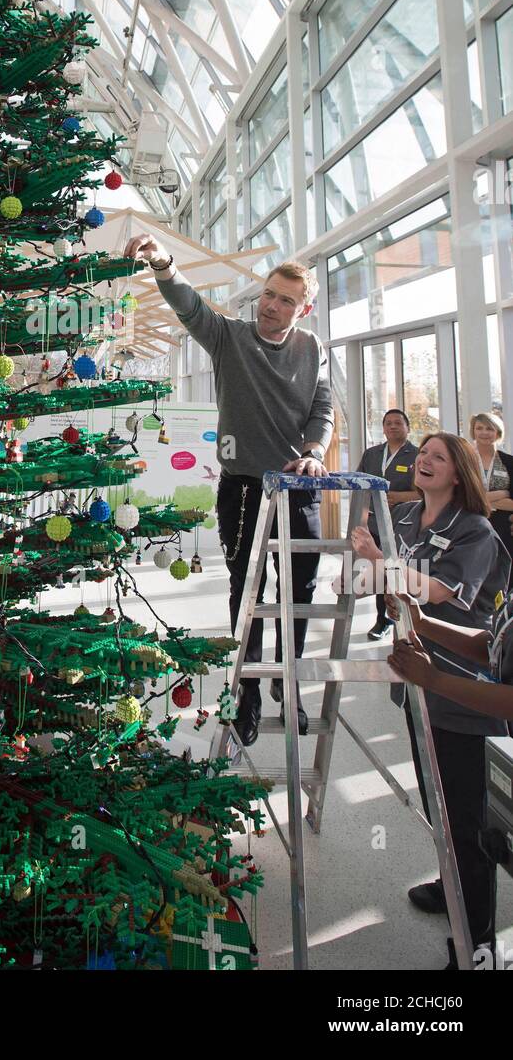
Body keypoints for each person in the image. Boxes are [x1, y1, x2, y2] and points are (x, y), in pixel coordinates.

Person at [125, 233, 334, 746]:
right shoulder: (230, 337)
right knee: (247, 592)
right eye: (269, 293)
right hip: (243, 488)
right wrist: (163, 264)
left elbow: (322, 408)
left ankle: (288, 682)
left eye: (286, 299)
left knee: (300, 591)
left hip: (297, 487)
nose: (272, 305)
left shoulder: (312, 349)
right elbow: (191, 307)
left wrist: (314, 451)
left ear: (302, 309)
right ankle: (247, 693)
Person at [347, 432, 508, 968]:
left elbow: (439, 592)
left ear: (460, 472)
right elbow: (392, 581)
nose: (425, 461)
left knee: (467, 819)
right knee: (440, 804)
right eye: (423, 455)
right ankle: (450, 882)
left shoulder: (476, 531)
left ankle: (476, 940)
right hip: (416, 683)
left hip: (462, 691)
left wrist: (377, 560)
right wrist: (358, 573)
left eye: (438, 457)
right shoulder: (410, 518)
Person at [356, 409, 421, 640]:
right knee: (379, 572)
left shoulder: (417, 455)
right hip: (374, 524)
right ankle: (382, 620)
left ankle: (411, 621)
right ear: (383, 428)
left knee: (401, 572)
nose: (393, 427)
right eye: (388, 423)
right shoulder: (372, 454)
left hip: (405, 524)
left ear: (408, 428)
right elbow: (359, 489)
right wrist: (360, 521)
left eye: (398, 423)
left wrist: (399, 497)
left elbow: (424, 492)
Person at [469, 411, 513, 563]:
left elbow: (471, 498)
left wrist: (478, 498)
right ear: (473, 431)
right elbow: (462, 496)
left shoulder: (509, 462)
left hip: (505, 529)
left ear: (498, 433)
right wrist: (504, 493)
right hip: (471, 525)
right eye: (479, 428)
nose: (484, 432)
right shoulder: (464, 461)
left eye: (489, 429)